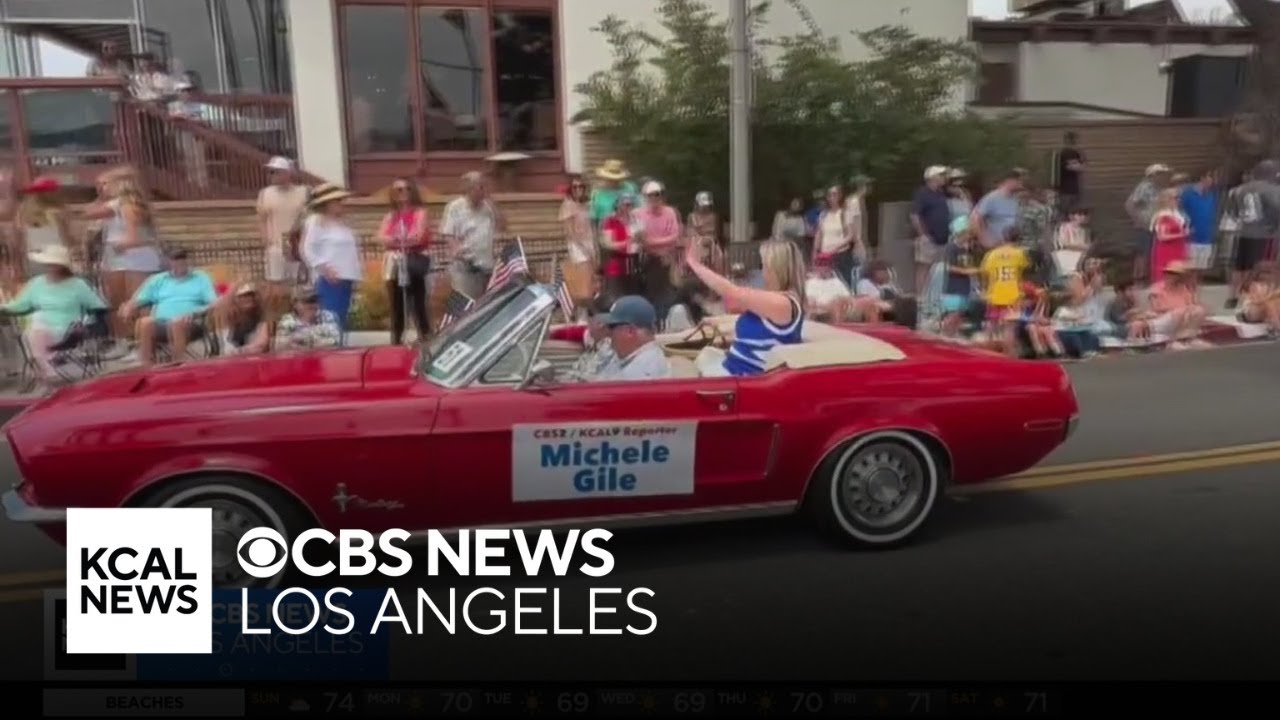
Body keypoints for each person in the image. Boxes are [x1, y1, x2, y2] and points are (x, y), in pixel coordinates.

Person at [686, 239, 806, 377]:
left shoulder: (782, 303)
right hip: (731, 367)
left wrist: (694, 264)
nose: (762, 273)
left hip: (741, 378)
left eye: (764, 266)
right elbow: (734, 306)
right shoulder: (777, 301)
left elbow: (732, 294)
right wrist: (717, 320)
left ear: (778, 269)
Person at [81, 170, 163, 351]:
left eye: (104, 184)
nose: (100, 188)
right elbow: (88, 213)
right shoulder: (114, 204)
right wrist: (100, 197)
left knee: (137, 302)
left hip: (136, 258)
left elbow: (135, 236)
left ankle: (143, 343)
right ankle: (124, 341)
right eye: (98, 185)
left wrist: (123, 244)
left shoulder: (127, 205)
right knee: (116, 302)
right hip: (116, 260)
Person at [0, 246, 107, 384]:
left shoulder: (78, 285)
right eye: (48, 264)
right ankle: (48, 371)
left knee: (36, 326)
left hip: (69, 330)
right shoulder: (37, 283)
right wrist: (3, 308)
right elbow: (19, 305)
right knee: (36, 322)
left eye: (54, 264)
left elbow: (97, 306)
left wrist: (89, 323)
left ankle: (47, 370)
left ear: (62, 266)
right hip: (41, 327)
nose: (50, 268)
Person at [120, 248, 218, 367]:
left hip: (191, 323)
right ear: (169, 262)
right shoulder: (158, 280)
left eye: (183, 259)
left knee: (176, 323)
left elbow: (214, 302)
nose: (180, 263)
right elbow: (138, 299)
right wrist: (129, 307)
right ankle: (146, 365)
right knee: (146, 322)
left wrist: (195, 313)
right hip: (161, 324)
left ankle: (178, 364)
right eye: (176, 260)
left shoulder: (201, 278)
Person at [300, 183, 361, 340]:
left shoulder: (341, 223)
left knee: (340, 318)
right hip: (329, 278)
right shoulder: (316, 221)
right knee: (331, 318)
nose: (341, 204)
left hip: (345, 278)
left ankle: (339, 349)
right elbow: (307, 248)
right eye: (337, 201)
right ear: (326, 204)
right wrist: (324, 269)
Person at [379, 178, 431, 345]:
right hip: (395, 264)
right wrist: (400, 240)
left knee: (418, 304)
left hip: (414, 262)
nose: (403, 193)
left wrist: (397, 240)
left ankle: (426, 338)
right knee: (397, 305)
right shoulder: (390, 216)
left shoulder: (420, 213)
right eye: (399, 190)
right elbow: (381, 237)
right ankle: (396, 341)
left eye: (407, 189)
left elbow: (418, 236)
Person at [440, 171, 503, 299]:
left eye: (484, 186)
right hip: (465, 265)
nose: (482, 190)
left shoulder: (488, 207)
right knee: (467, 304)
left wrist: (492, 202)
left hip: (486, 265)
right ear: (467, 188)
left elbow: (502, 226)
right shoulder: (455, 207)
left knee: (486, 304)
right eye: (479, 186)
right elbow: (448, 233)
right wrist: (455, 248)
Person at [1227, 160, 1280, 309]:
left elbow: (1234, 213)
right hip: (1264, 234)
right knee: (1261, 268)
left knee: (1239, 267)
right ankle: (1253, 297)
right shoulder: (1271, 189)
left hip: (1243, 232)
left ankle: (1232, 297)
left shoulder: (1239, 190)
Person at [257, 156, 308, 296]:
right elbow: (262, 219)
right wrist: (266, 241)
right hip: (275, 247)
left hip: (297, 246)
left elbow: (308, 217)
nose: (271, 175)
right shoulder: (265, 194)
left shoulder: (302, 192)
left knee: (298, 284)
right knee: (275, 286)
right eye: (270, 172)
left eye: (276, 172)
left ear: (287, 173)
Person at [588, 296, 671, 382]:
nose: (608, 332)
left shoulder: (640, 375)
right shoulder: (628, 356)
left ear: (630, 331)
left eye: (611, 326)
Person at [6, 177, 72, 279]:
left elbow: (66, 236)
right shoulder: (25, 211)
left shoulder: (58, 210)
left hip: (49, 257)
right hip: (42, 257)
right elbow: (17, 239)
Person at [636, 180, 682, 320]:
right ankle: (652, 321)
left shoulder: (669, 212)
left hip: (665, 258)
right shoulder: (639, 214)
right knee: (648, 291)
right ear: (646, 197)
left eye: (657, 195)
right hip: (647, 258)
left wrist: (652, 242)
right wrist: (653, 243)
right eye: (651, 195)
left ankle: (664, 320)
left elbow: (674, 235)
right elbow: (638, 237)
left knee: (666, 292)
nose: (654, 198)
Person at [980, 228, 1030, 354]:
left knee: (991, 326)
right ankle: (1009, 355)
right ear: (1018, 239)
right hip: (1012, 296)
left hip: (994, 294)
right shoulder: (1019, 254)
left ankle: (986, 354)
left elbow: (984, 273)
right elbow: (1025, 270)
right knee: (1009, 328)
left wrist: (985, 291)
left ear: (1003, 238)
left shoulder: (991, 254)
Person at [1124, 163, 1170, 284]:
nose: (1164, 177)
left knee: (1149, 252)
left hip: (1153, 226)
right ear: (1153, 175)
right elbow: (1130, 204)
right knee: (1143, 252)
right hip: (1144, 226)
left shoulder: (1157, 188)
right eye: (1161, 174)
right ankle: (1139, 279)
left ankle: (1147, 278)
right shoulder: (1145, 187)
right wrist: (1139, 220)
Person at [1148, 262, 1208, 350]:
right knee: (1180, 312)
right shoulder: (1157, 288)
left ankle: (1187, 338)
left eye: (1175, 274)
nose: (1171, 276)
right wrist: (1180, 311)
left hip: (1182, 318)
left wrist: (1193, 288)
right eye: (1170, 273)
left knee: (1199, 310)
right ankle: (1176, 339)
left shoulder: (1183, 288)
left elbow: (1192, 305)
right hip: (1163, 317)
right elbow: (1157, 308)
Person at [911, 166, 951, 296]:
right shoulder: (923, 193)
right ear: (932, 178)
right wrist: (922, 234)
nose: (944, 178)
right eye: (941, 175)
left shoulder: (940, 193)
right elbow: (915, 215)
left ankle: (935, 295)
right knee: (924, 268)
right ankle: (921, 297)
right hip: (929, 238)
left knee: (939, 269)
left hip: (942, 239)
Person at [813, 186, 860, 288]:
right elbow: (819, 234)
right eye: (829, 195)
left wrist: (835, 248)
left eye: (834, 194)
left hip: (841, 255)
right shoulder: (823, 215)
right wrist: (815, 253)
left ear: (840, 196)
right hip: (825, 256)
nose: (831, 197)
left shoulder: (845, 213)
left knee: (844, 284)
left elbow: (850, 235)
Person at [941, 217, 980, 336]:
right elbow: (949, 267)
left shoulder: (966, 249)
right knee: (953, 313)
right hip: (953, 287)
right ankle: (944, 334)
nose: (969, 236)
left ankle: (953, 334)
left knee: (960, 314)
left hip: (964, 287)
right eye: (967, 233)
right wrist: (966, 271)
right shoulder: (951, 248)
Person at [971, 170, 1024, 251]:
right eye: (1018, 180)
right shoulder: (991, 198)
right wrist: (984, 240)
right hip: (996, 247)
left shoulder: (1016, 200)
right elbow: (975, 219)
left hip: (1013, 246)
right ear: (1009, 181)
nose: (1020, 183)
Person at [276, 285, 342, 350]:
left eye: (314, 300)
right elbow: (281, 347)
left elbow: (335, 343)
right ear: (295, 304)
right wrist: (319, 342)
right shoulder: (287, 321)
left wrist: (303, 343)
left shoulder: (329, 316)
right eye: (307, 301)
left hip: (324, 358)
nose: (311, 305)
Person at [1180, 168, 1218, 275]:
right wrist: (1186, 227)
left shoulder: (1211, 195)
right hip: (1191, 238)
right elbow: (1180, 212)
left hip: (1206, 238)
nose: (1213, 180)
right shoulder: (1188, 194)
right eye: (1211, 177)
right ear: (1202, 178)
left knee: (1201, 269)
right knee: (1189, 269)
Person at [219, 284, 271, 356]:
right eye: (243, 296)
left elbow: (261, 345)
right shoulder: (229, 320)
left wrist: (240, 351)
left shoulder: (262, 319)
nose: (247, 299)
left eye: (250, 295)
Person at [1149, 188, 1190, 280]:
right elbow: (1161, 236)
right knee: (1168, 276)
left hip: (1179, 248)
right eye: (1175, 198)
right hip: (1167, 250)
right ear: (1168, 200)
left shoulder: (1177, 214)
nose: (1178, 200)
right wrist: (1181, 235)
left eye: (1178, 198)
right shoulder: (1163, 216)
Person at [588, 160, 638, 231]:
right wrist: (596, 239)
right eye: (610, 179)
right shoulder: (597, 193)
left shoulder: (629, 188)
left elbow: (637, 209)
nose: (614, 181)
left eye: (617, 179)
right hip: (605, 231)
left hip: (627, 230)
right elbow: (593, 218)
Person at [1237, 261, 1280, 334]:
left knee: (1274, 303)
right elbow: (1257, 300)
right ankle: (1276, 327)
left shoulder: (1273, 285)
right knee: (1270, 304)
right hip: (1252, 309)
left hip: (1264, 307)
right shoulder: (1254, 286)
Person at [1052, 131, 1086, 216]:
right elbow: (1076, 167)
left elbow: (1079, 167)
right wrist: (1080, 164)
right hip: (1067, 190)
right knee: (1068, 213)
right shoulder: (1067, 153)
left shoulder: (1064, 153)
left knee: (1070, 213)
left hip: (1070, 189)